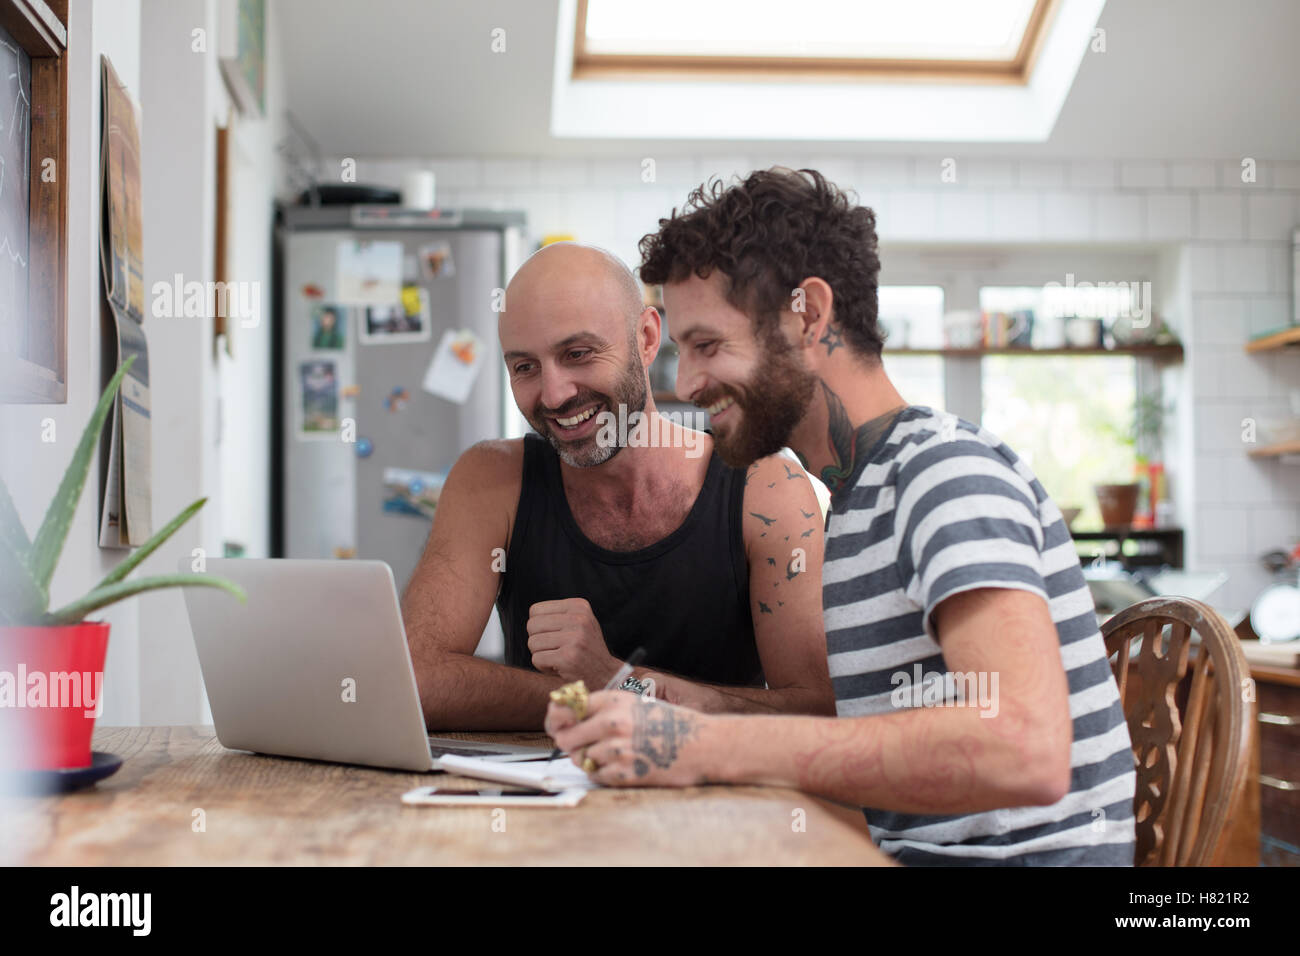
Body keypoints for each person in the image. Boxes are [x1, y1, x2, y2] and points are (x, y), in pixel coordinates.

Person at [547, 170, 1137, 866]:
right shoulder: (858, 498)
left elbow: (1027, 749)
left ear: (808, 316)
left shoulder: (942, 471)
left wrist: (704, 749)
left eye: (707, 345)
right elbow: (857, 740)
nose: (686, 384)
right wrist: (646, 709)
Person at [401, 242, 836, 730]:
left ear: (647, 338)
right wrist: (590, 694)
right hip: (544, 801)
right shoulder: (493, 479)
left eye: (578, 353)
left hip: (719, 800)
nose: (554, 394)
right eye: (525, 367)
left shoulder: (765, 487)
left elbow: (816, 708)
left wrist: (617, 680)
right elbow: (416, 680)